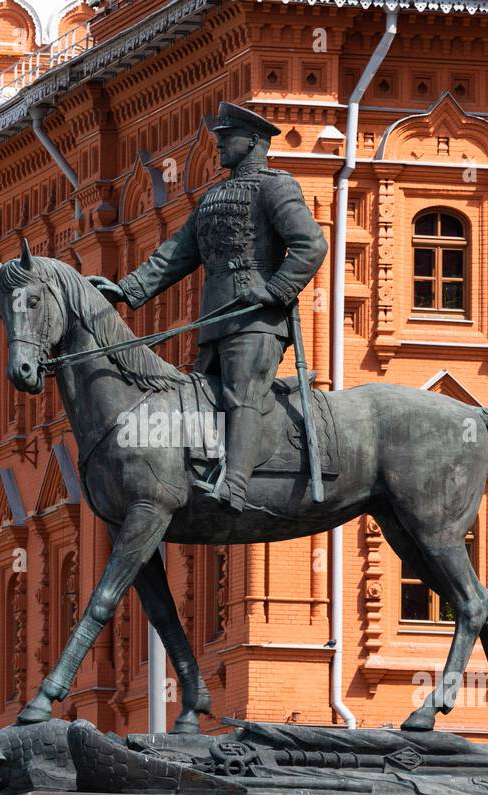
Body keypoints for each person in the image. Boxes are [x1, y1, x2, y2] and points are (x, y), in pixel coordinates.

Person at [88, 102, 328, 513]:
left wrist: (275, 291)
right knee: (198, 401)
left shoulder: (276, 186)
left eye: (227, 135)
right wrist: (125, 290)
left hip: (256, 320)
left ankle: (235, 485)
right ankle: (200, 477)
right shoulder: (214, 197)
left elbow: (311, 244)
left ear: (253, 141)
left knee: (241, 395)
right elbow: (176, 254)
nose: (217, 142)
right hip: (217, 320)